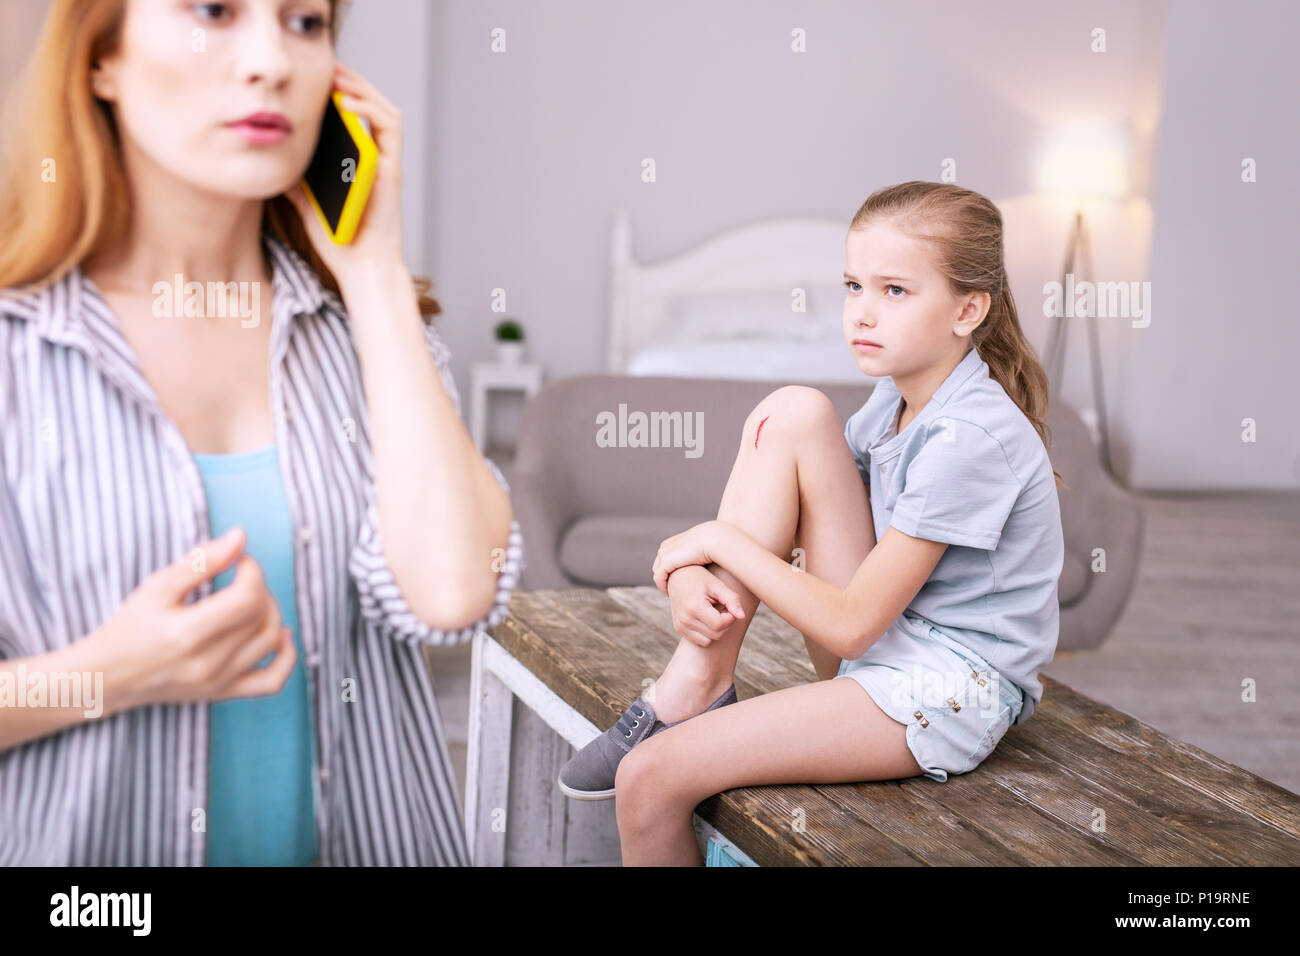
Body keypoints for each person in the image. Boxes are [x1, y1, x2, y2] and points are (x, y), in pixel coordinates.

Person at [0, 0, 522, 866]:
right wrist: (115, 671)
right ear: (102, 57)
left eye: (305, 23)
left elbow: (456, 591)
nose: (270, 60)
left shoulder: (372, 332)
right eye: (215, 10)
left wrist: (373, 268)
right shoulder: (17, 354)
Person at [558, 181, 1067, 866]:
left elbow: (852, 622)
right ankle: (697, 678)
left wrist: (713, 541)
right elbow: (802, 509)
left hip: (946, 689)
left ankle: (686, 697)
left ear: (968, 309)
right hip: (887, 643)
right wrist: (692, 576)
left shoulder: (971, 435)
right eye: (854, 285)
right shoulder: (895, 398)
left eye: (895, 291)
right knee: (793, 410)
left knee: (648, 777)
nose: (862, 313)